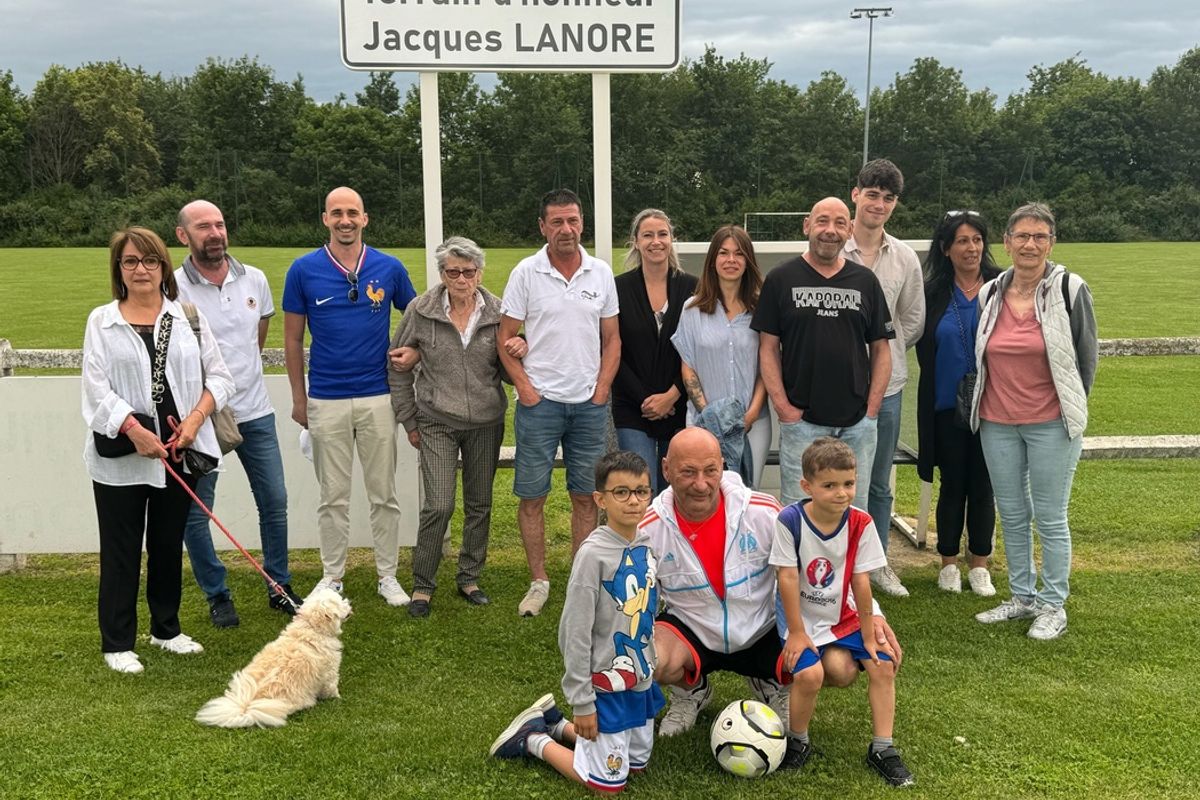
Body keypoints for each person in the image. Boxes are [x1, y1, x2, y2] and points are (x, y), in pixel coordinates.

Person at [643, 428, 903, 736]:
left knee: (841, 669)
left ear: (722, 466)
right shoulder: (649, 528)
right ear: (666, 469)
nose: (701, 484)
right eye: (688, 472)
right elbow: (635, 601)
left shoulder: (762, 512)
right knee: (651, 657)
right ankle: (691, 689)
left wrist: (871, 614)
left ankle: (774, 681)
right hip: (694, 630)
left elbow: (823, 564)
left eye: (710, 471)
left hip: (764, 629)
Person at [82, 227, 235, 673]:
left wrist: (195, 419)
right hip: (124, 456)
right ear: (119, 270)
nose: (141, 269)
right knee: (121, 547)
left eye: (149, 260)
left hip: (178, 450)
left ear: (163, 266)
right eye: (130, 262)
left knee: (168, 543)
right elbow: (95, 389)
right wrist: (133, 430)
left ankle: (165, 628)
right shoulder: (102, 321)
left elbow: (220, 379)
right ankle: (117, 641)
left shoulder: (187, 317)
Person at [490, 451, 663, 793]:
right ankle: (533, 739)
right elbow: (575, 632)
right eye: (622, 492)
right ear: (600, 499)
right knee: (606, 784)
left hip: (639, 677)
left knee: (637, 767)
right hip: (604, 685)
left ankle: (558, 725)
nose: (633, 501)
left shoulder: (644, 543)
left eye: (641, 491)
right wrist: (583, 702)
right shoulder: (592, 556)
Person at [283, 186, 417, 607]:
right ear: (325, 219)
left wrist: (413, 351)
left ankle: (387, 575)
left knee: (384, 494)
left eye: (352, 213)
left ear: (365, 218)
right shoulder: (303, 270)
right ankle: (332, 577)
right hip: (326, 398)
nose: (345, 220)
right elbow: (291, 339)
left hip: (378, 397)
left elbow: (419, 317)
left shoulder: (388, 267)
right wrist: (299, 399)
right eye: (336, 213)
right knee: (332, 497)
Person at [970, 203, 1098, 641]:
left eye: (1039, 236)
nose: (1030, 244)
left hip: (1051, 423)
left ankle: (1052, 604)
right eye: (1022, 236)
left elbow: (1085, 360)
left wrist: (1071, 409)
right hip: (997, 421)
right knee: (1012, 513)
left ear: (1051, 242)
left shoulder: (1070, 289)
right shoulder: (990, 293)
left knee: (1050, 516)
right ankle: (1022, 597)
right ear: (1006, 243)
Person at [174, 200, 301, 627]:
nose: (215, 233)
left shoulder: (255, 279)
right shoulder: (172, 288)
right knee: (196, 512)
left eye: (220, 224)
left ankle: (278, 585)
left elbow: (255, 338)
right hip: (201, 417)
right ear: (183, 236)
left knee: (275, 501)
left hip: (254, 411)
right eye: (203, 226)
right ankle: (217, 593)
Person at [497, 188, 621, 617]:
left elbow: (612, 339)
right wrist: (525, 388)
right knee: (533, 497)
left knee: (586, 497)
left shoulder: (600, 272)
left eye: (572, 221)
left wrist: (602, 388)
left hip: (589, 405)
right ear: (542, 227)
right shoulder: (526, 273)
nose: (566, 230)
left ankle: (579, 580)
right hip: (540, 404)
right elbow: (504, 337)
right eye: (557, 222)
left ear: (582, 223)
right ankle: (539, 581)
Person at [772, 437, 913, 787]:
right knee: (810, 675)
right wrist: (798, 632)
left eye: (849, 484)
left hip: (844, 616)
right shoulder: (788, 520)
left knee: (881, 662)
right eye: (830, 485)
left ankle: (883, 748)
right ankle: (798, 741)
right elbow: (787, 577)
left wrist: (869, 634)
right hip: (799, 619)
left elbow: (861, 581)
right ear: (807, 486)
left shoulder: (861, 523)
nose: (841, 493)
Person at [387, 237, 508, 618]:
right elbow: (397, 365)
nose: (461, 278)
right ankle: (423, 584)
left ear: (479, 273)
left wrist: (519, 351)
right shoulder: (420, 311)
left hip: (486, 423)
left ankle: (469, 577)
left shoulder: (499, 313)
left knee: (479, 504)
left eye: (468, 271)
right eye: (453, 271)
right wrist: (409, 419)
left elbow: (507, 368)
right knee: (438, 505)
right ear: (442, 274)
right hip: (436, 420)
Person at [753, 197, 894, 514]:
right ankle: (798, 566)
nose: (830, 230)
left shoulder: (865, 282)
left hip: (857, 422)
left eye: (840, 223)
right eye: (822, 221)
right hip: (802, 421)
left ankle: (851, 566)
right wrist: (784, 408)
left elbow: (882, 349)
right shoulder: (781, 279)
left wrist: (872, 409)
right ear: (807, 225)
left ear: (850, 231)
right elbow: (767, 348)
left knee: (854, 510)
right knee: (799, 510)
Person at [842, 160, 925, 598]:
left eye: (888, 198)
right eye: (872, 194)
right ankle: (834, 562)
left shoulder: (905, 257)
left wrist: (880, 356)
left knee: (878, 480)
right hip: (834, 387)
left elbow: (911, 321)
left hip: (887, 388)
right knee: (832, 475)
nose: (879, 204)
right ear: (856, 194)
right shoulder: (834, 247)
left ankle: (877, 565)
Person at [916, 210, 1003, 596]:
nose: (971, 248)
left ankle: (980, 565)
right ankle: (949, 563)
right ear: (946, 248)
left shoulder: (1003, 287)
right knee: (952, 485)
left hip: (994, 405)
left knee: (983, 486)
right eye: (962, 241)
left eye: (977, 240)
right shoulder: (932, 292)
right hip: (946, 406)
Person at [671, 225, 770, 488]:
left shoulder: (763, 308)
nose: (731, 260)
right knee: (706, 494)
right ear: (713, 261)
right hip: (703, 423)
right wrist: (710, 415)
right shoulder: (691, 310)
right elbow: (688, 367)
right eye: (723, 253)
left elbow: (767, 368)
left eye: (739, 254)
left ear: (748, 261)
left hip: (753, 424)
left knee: (748, 494)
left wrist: (750, 415)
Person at [612, 209, 698, 495]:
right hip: (633, 408)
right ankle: (641, 542)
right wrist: (647, 401)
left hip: (680, 406)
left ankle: (671, 543)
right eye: (647, 235)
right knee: (640, 489)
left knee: (673, 493)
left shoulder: (692, 287)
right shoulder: (618, 288)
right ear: (635, 242)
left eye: (662, 234)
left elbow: (698, 349)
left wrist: (673, 394)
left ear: (672, 240)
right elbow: (613, 349)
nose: (656, 241)